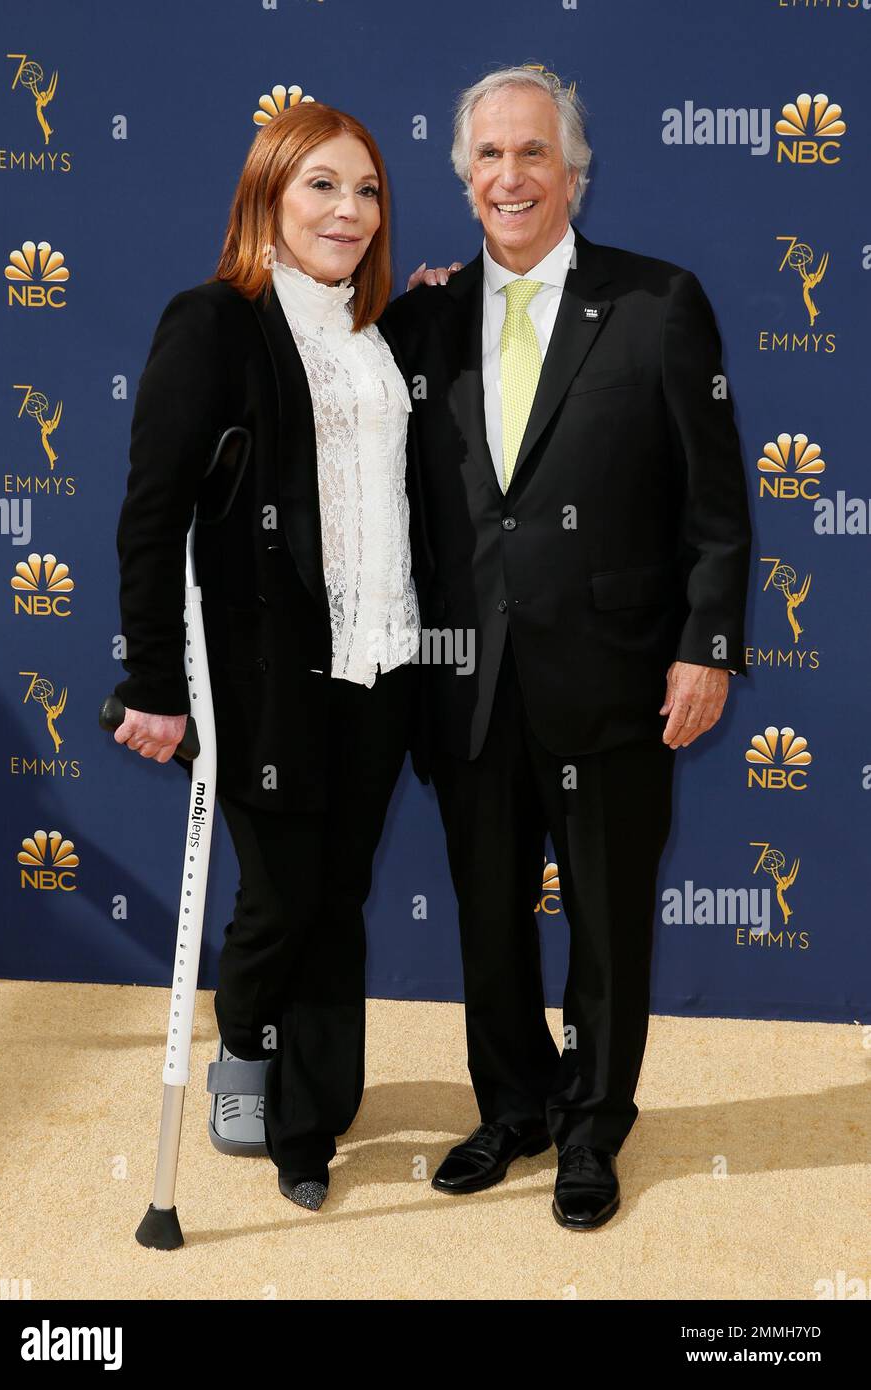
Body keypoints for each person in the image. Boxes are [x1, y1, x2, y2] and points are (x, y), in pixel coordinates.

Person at [383, 66, 751, 1229]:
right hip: (469, 683)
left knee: (605, 921)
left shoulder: (659, 304)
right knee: (487, 922)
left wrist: (710, 647)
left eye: (532, 153)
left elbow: (718, 507)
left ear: (576, 173)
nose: (510, 177)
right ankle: (514, 1109)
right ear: (464, 177)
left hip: (617, 685)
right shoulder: (422, 318)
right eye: (488, 157)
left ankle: (594, 1125)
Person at [113, 101, 424, 1211]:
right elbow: (153, 517)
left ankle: (311, 1116)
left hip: (381, 661)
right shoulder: (215, 322)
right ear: (267, 198)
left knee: (338, 895)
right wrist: (152, 682)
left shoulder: (373, 328)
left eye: (368, 190)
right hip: (265, 670)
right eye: (322, 186)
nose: (350, 210)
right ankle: (243, 1042)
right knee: (283, 896)